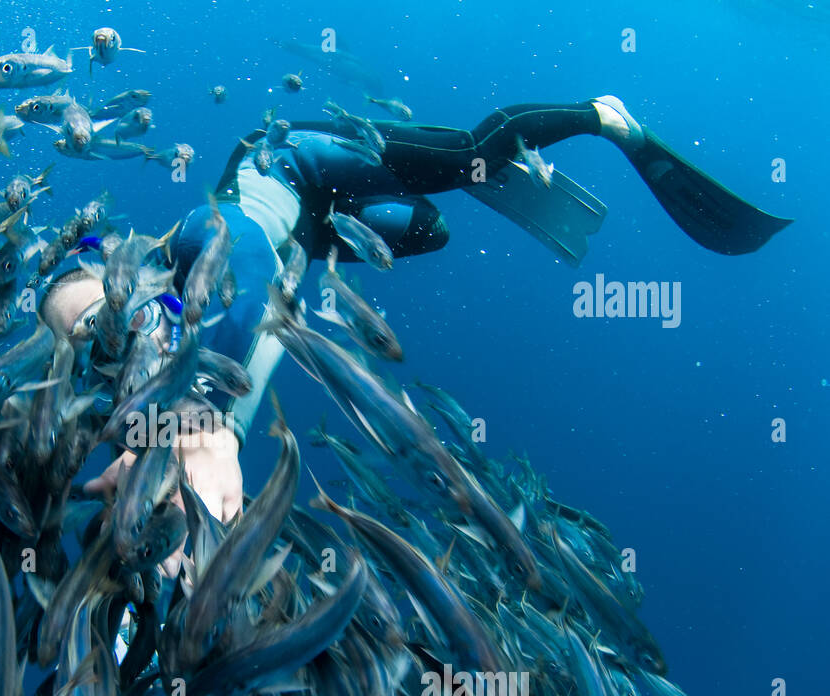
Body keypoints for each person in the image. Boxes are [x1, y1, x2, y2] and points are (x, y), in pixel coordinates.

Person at [40, 95, 792, 539]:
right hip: (323, 228)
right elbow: (249, 343)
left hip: (292, 163)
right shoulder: (157, 359)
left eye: (98, 320)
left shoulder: (197, 236)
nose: (104, 339)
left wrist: (204, 420)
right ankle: (456, 180)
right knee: (432, 231)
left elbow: (242, 273)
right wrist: (198, 440)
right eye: (88, 345)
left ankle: (598, 116)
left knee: (471, 155)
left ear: (122, 281)